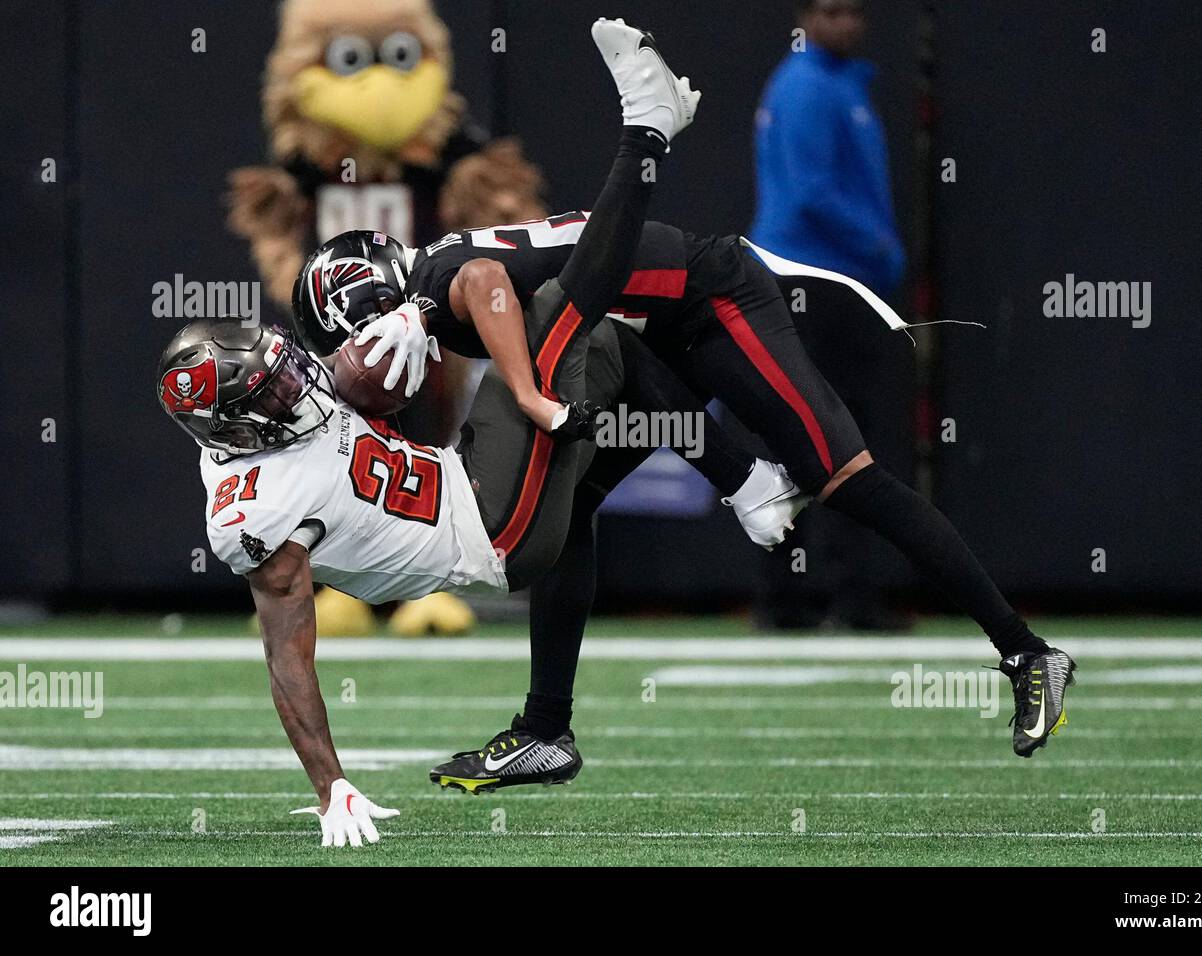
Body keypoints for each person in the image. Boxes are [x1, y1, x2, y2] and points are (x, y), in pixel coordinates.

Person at [158, 18, 784, 846]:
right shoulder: (252, 512)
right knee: (560, 308)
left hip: (469, 476)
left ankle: (740, 480)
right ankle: (646, 134)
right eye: (271, 393)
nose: (292, 388)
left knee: (606, 346)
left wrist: (396, 337)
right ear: (235, 424)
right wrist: (331, 787)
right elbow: (288, 660)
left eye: (281, 369)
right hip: (490, 529)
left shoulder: (289, 403)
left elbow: (351, 382)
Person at [375, 56, 1075, 797]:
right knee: (570, 499)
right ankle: (546, 730)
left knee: (846, 480)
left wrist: (523, 389)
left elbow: (503, 292)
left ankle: (1027, 653)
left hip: (712, 298)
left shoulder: (440, 287)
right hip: (656, 332)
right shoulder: (435, 274)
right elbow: (621, 348)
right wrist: (732, 470)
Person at [750, 0, 907, 631]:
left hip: (830, 284)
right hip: (811, 286)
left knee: (822, 437)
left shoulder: (837, 85)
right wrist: (879, 245)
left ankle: (820, 597)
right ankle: (814, 597)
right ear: (807, 17)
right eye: (833, 11)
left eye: (856, 12)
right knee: (822, 438)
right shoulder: (807, 88)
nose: (849, 24)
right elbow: (812, 193)